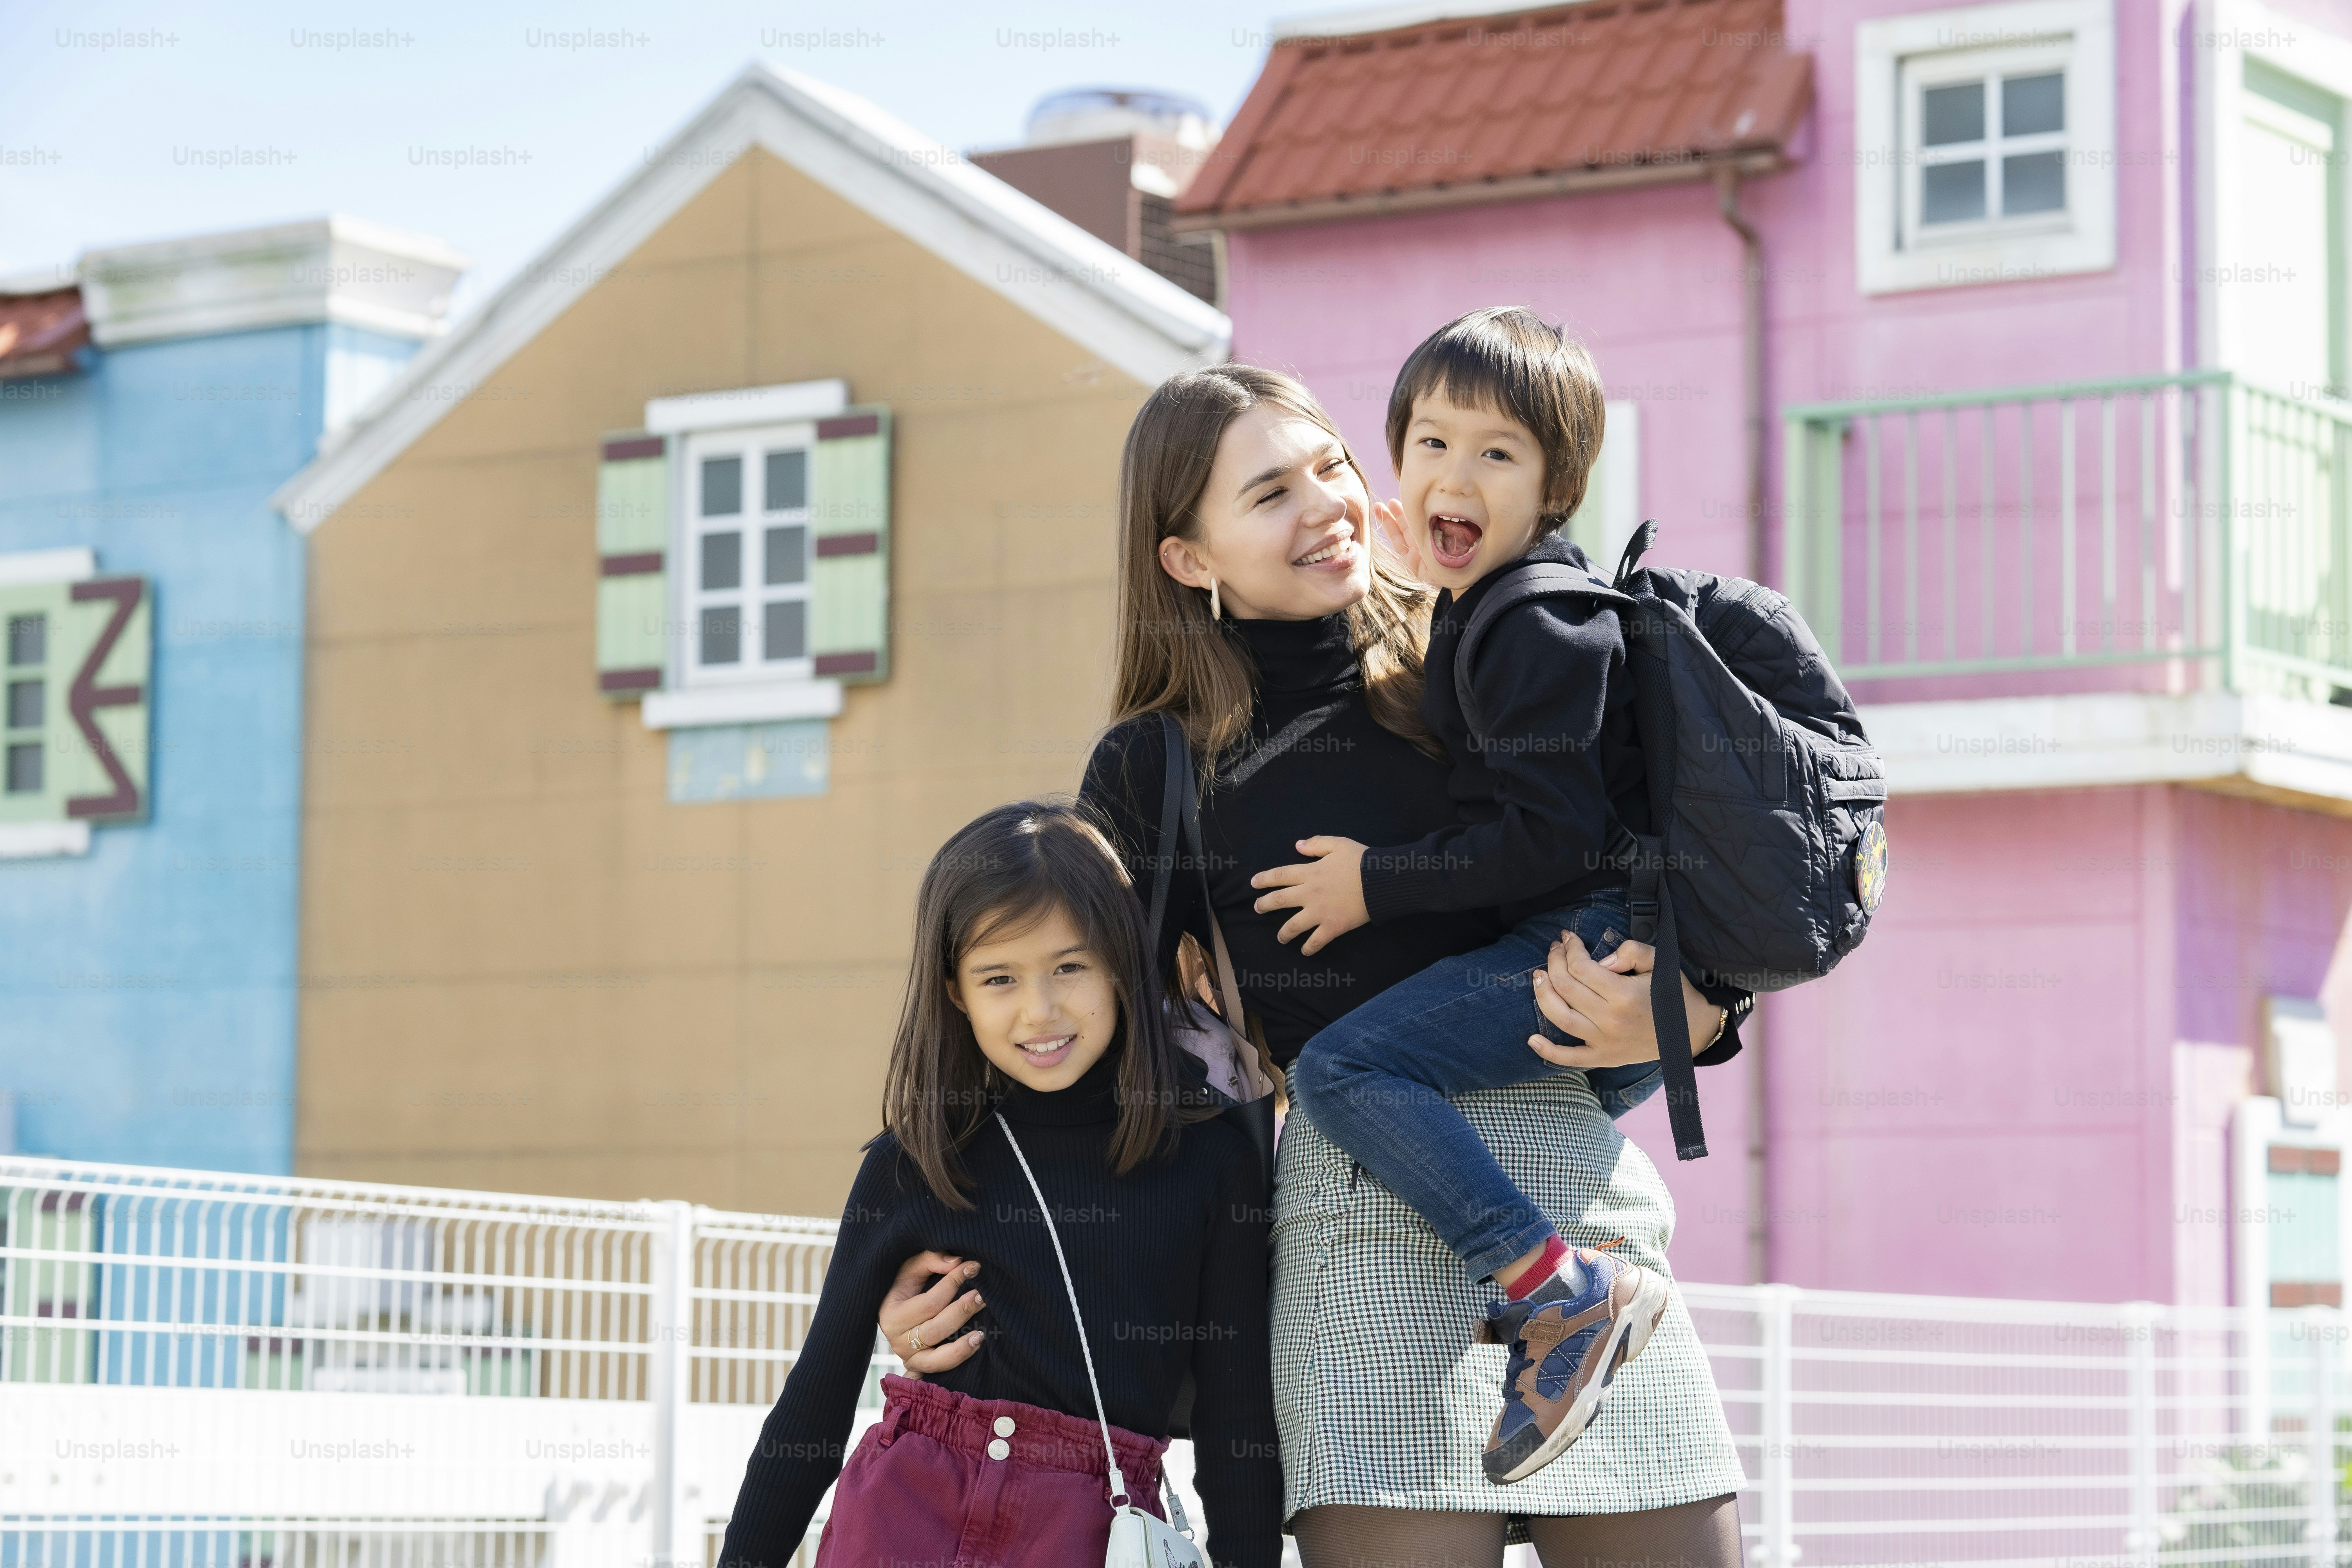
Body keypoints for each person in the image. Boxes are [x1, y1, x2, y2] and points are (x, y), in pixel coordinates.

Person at [878, 363, 1749, 1568]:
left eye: (1331, 465)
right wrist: (929, 1259)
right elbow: (1067, 1041)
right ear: (1188, 557)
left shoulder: (1484, 651)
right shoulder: (1156, 765)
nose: (1327, 504)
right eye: (1271, 492)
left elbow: (1679, 877)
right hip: (1363, 1238)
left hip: (1584, 1217)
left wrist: (1695, 1014)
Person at [1255, 307, 1742, 1484]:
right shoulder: (1499, 605)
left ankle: (1556, 1289)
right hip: (1609, 952)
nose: (1454, 476)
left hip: (1588, 935)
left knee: (1343, 1070)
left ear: (1556, 486)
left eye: (1497, 453)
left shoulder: (1537, 623)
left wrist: (1375, 882)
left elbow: (1545, 833)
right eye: (1429, 444)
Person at [716, 800, 1282, 1568]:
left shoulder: (1209, 1160)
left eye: (1069, 967)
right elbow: (813, 1407)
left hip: (1092, 1533)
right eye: (999, 977)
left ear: (1120, 963)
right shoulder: (913, 1161)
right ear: (955, 990)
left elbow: (1237, 1422)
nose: (1038, 1011)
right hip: (901, 1516)